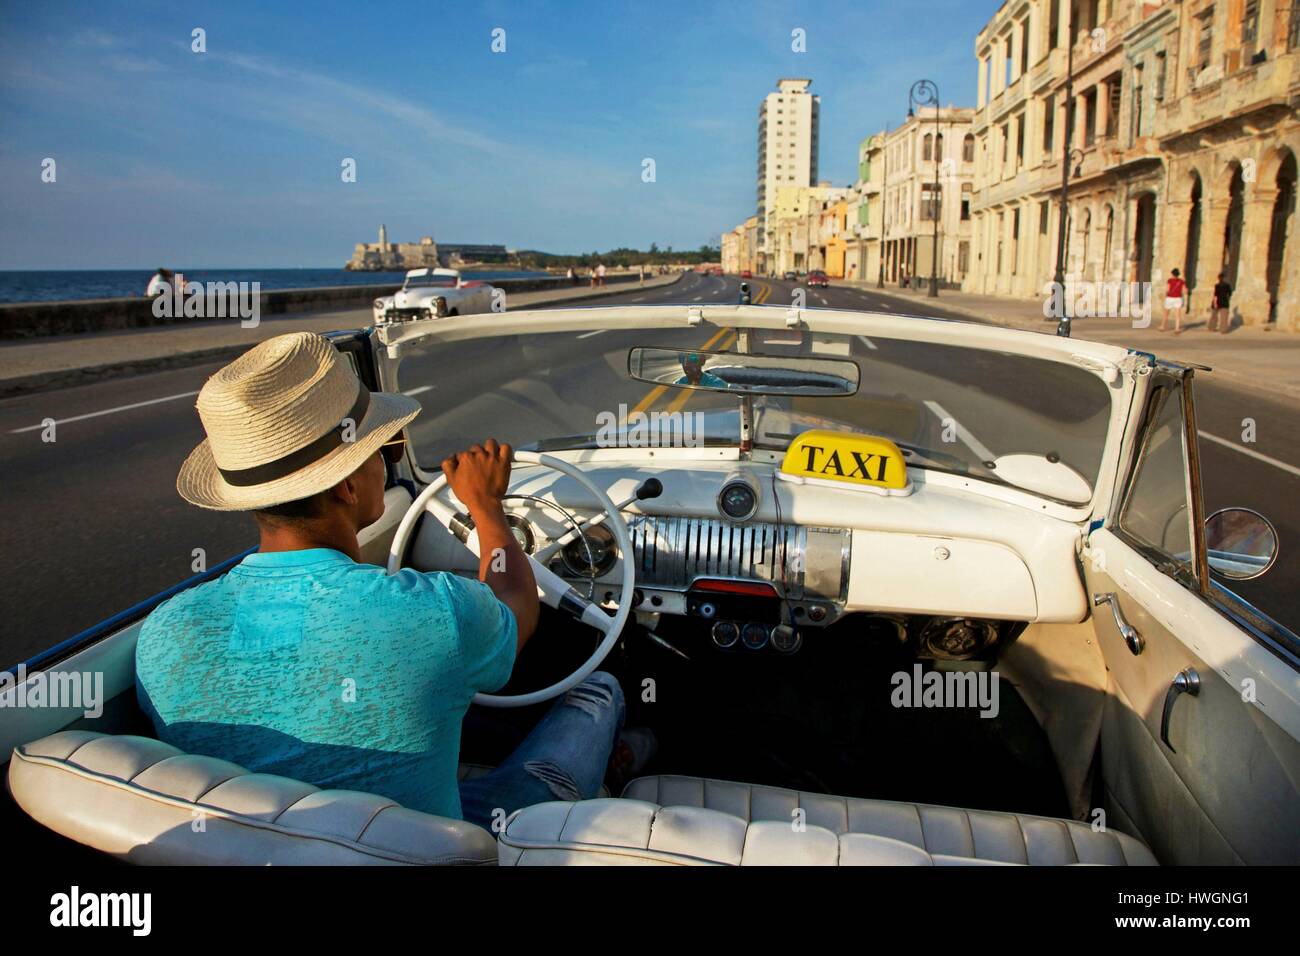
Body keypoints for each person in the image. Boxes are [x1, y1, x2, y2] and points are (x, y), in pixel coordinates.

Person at [135, 332, 641, 832]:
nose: (389, 460)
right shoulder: (434, 614)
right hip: (435, 845)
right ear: (349, 485)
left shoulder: (164, 634)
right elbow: (515, 602)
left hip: (271, 848)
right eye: (387, 447)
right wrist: (486, 506)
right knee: (598, 691)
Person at [1161, 267, 1187, 334]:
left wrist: (1165, 296)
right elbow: (1185, 291)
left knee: (1166, 313)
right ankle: (1177, 328)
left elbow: (1167, 290)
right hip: (1178, 298)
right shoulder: (1181, 281)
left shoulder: (1170, 280)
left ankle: (1163, 326)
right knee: (1178, 315)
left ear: (1172, 274)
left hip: (1170, 298)